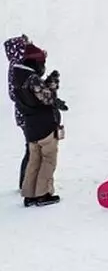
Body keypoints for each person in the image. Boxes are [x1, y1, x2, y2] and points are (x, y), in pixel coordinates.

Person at [10, 38, 65, 206]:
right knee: (48, 159)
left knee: (34, 159)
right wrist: (53, 84)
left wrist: (47, 83)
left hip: (30, 126)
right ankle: (43, 194)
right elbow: (47, 98)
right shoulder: (31, 78)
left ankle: (29, 194)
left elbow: (35, 96)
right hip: (45, 126)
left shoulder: (17, 77)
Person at [5, 35, 30, 189]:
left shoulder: (16, 65)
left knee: (30, 148)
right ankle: (26, 182)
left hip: (22, 113)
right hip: (26, 113)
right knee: (31, 149)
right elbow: (15, 93)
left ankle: (25, 181)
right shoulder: (18, 67)